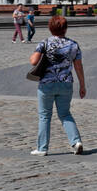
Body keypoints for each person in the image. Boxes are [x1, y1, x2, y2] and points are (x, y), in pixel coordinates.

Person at [29, 15, 86, 155]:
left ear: (50, 28)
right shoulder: (73, 45)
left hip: (47, 84)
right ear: (65, 29)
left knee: (45, 116)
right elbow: (78, 67)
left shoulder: (45, 43)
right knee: (65, 114)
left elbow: (33, 62)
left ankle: (42, 148)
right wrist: (82, 85)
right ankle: (76, 142)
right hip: (66, 83)